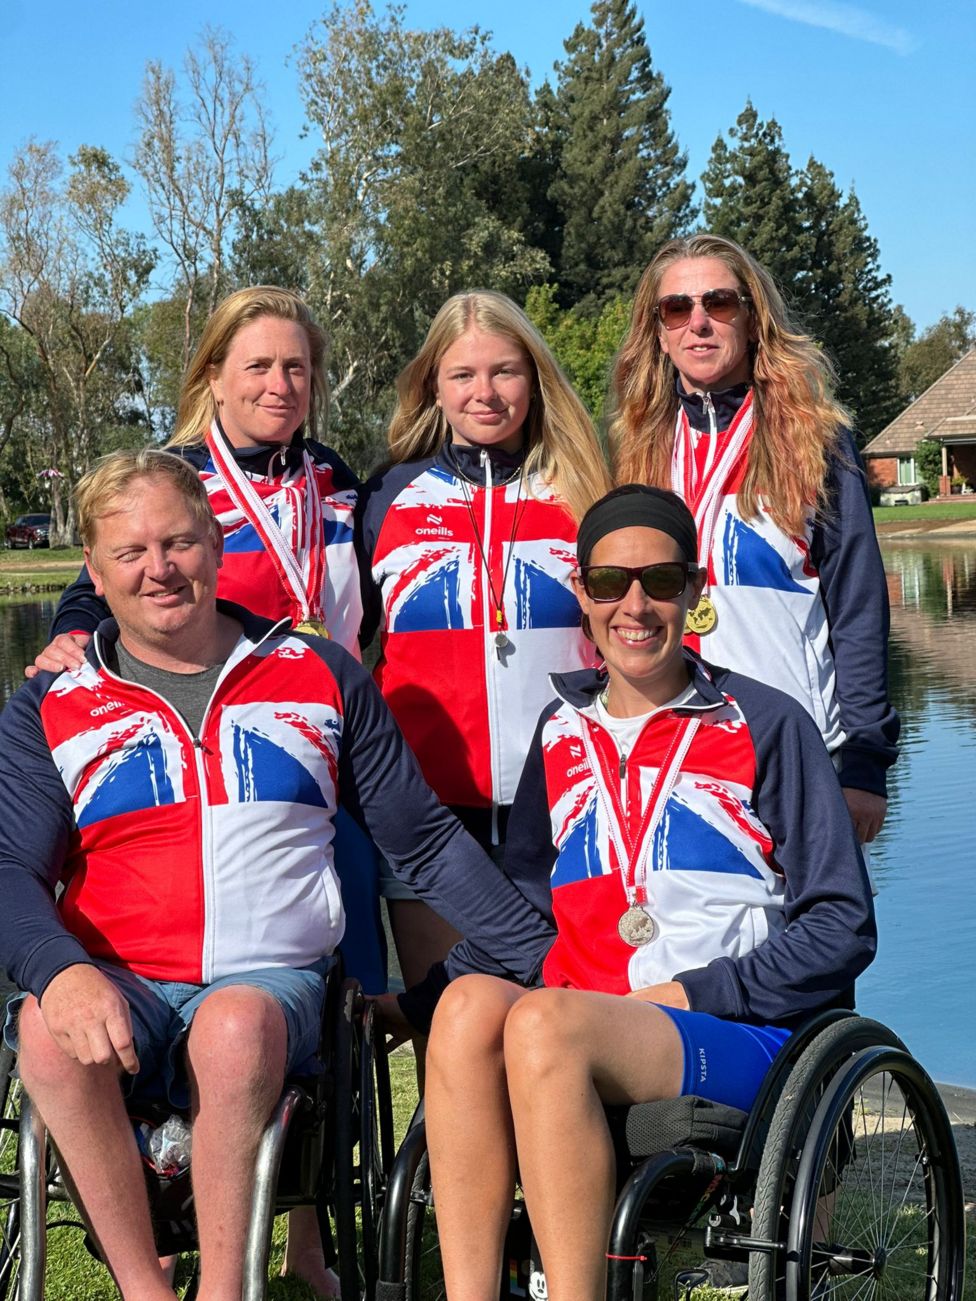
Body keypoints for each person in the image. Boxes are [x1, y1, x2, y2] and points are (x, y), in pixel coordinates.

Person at [0, 450, 553, 1301]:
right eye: (131, 553)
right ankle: (145, 1290)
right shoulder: (52, 702)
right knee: (44, 1027)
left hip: (275, 986)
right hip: (121, 984)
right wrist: (61, 969)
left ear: (217, 545)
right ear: (95, 572)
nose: (159, 570)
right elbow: (9, 869)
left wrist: (543, 948)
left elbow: (426, 843)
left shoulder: (318, 671)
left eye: (179, 542)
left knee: (232, 1029)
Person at [403, 485, 877, 1301]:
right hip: (589, 1019)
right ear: (580, 594)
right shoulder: (557, 735)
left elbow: (842, 921)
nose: (635, 604)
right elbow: (525, 914)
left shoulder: (765, 721)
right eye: (610, 582)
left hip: (734, 1029)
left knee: (546, 1024)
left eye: (660, 581)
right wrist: (408, 1002)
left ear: (693, 591)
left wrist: (702, 989)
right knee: (466, 1011)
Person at [26, 287, 381, 1293]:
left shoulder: (338, 480)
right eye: (257, 365)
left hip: (313, 739)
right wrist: (64, 633)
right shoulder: (174, 480)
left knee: (333, 972)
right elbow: (112, 575)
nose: (280, 383)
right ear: (212, 376)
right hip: (192, 730)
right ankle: (166, 1229)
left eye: (297, 367)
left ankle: (307, 1232)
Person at [359, 289, 611, 999]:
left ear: (534, 379)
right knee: (446, 1023)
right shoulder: (389, 496)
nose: (485, 393)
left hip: (568, 801)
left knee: (559, 1019)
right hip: (428, 811)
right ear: (431, 385)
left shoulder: (583, 487)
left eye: (504, 371)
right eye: (463, 374)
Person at [610, 234, 899, 845]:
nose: (698, 323)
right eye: (676, 309)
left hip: (795, 752)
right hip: (672, 752)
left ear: (752, 316)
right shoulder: (637, 448)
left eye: (718, 303)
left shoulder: (814, 442)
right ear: (658, 332)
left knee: (816, 937)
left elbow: (857, 606)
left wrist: (867, 763)